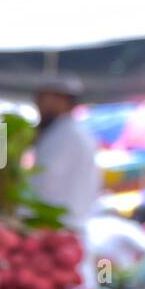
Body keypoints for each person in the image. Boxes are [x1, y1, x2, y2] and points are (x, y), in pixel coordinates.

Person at [30, 75, 102, 233]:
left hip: (60, 229)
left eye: (43, 99)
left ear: (62, 100)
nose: (39, 105)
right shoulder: (65, 133)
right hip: (64, 226)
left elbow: (46, 182)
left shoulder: (67, 136)